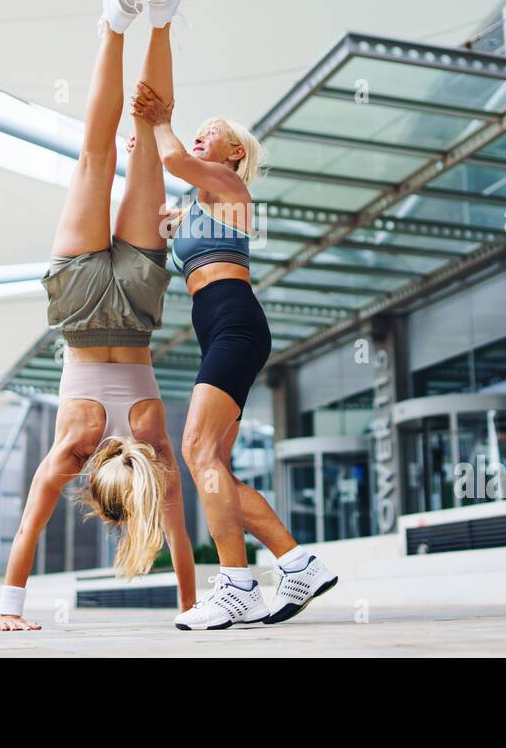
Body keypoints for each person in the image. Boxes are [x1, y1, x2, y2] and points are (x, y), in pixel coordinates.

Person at [0, 0, 198, 632]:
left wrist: (192, 605)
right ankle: (115, 24)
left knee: (141, 149)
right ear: (95, 491)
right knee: (96, 157)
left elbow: (179, 535)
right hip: (81, 307)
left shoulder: (154, 449)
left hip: (134, 308)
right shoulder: (72, 452)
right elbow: (27, 524)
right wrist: (9, 609)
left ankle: (159, 19)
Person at [131, 79, 339, 630]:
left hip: (235, 324)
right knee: (212, 465)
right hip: (221, 329)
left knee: (196, 450)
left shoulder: (228, 188)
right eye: (197, 134)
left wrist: (159, 122)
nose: (200, 139)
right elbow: (149, 217)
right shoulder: (193, 208)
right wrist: (141, 154)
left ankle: (235, 587)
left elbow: (174, 157)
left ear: (234, 153)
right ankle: (298, 564)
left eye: (211, 134)